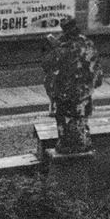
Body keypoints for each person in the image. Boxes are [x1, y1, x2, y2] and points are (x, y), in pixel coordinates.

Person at [42, 17, 102, 156]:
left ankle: (67, 152)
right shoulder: (87, 43)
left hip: (64, 94)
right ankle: (82, 148)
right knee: (80, 125)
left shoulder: (62, 47)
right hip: (83, 94)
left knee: (65, 127)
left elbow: (48, 66)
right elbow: (97, 72)